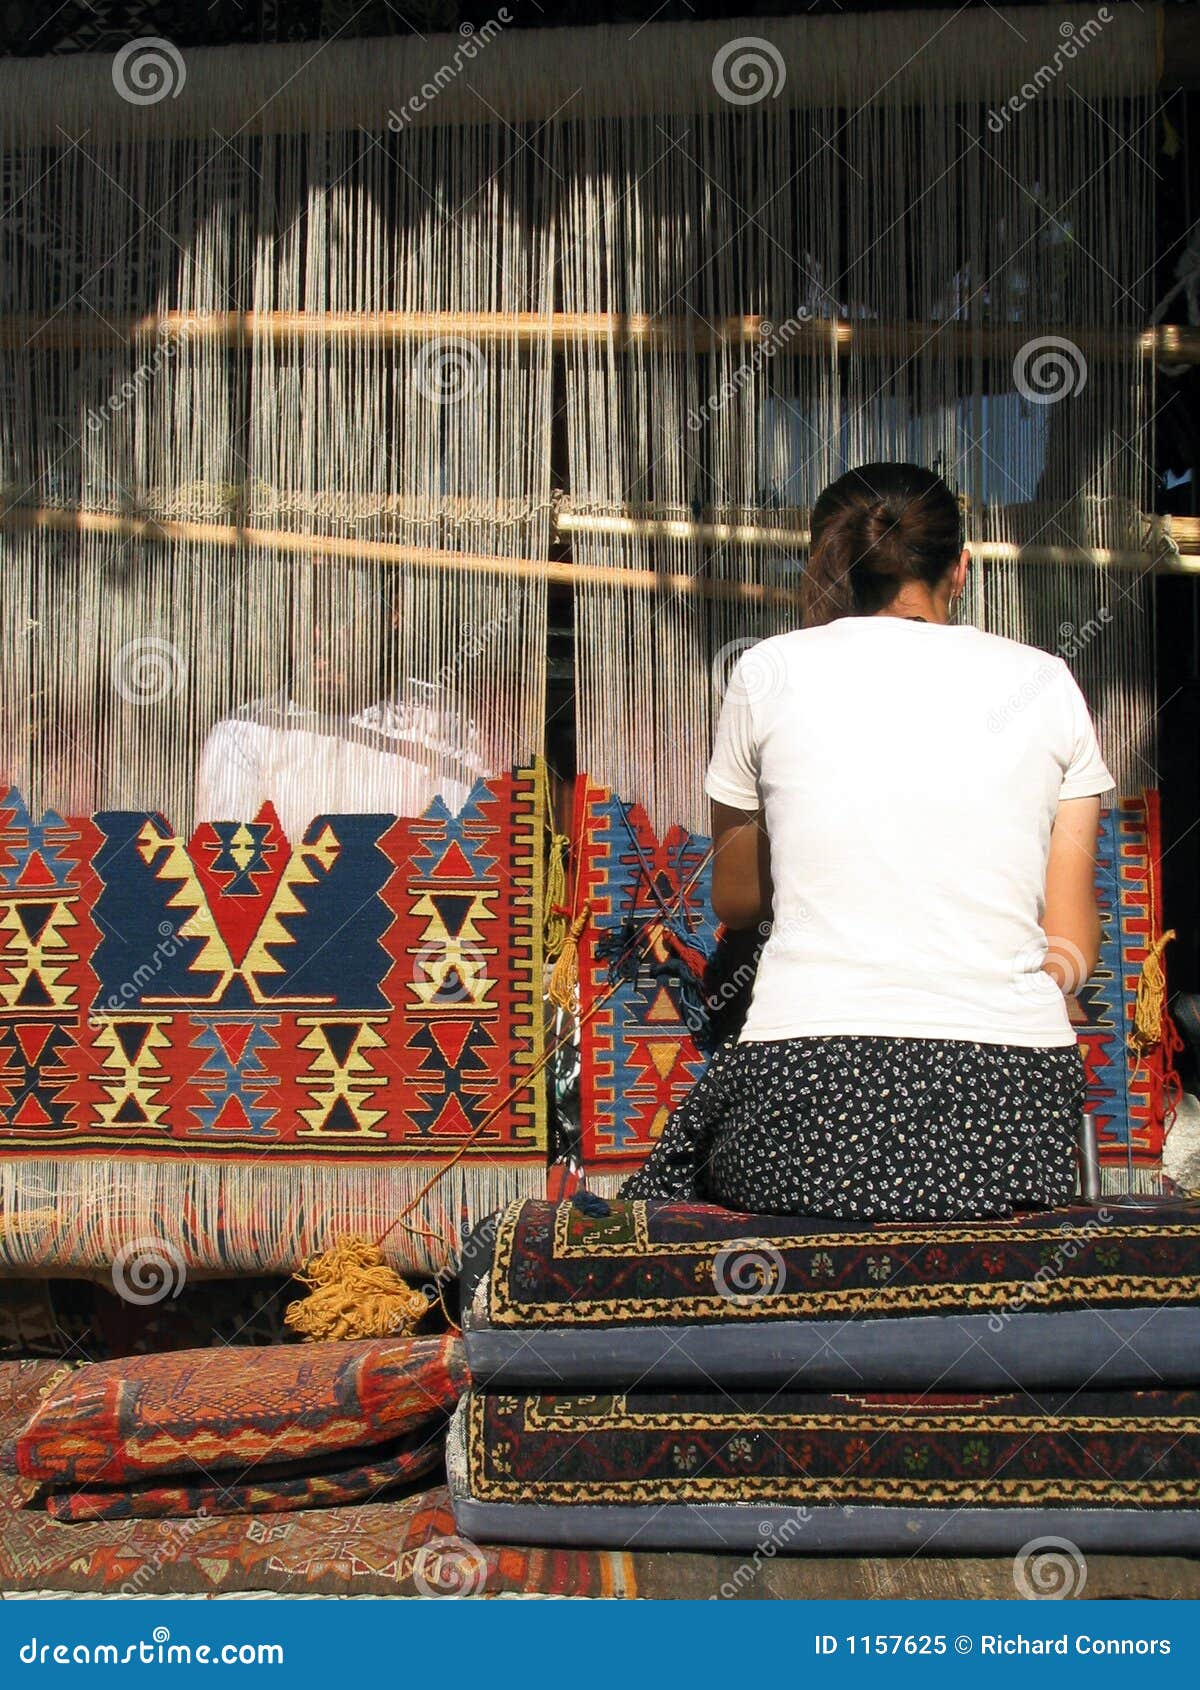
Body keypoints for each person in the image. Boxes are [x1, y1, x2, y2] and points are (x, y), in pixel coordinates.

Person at [622, 461, 1113, 1221]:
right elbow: (1074, 937)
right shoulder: (1046, 683)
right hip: (1010, 1113)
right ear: (961, 567)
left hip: (810, 1095)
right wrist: (1008, 983)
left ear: (826, 561)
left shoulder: (769, 670)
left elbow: (740, 902)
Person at [195, 564, 488, 840]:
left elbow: (466, 857)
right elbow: (231, 879)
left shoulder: (443, 721)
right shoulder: (242, 737)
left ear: (392, 612)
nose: (321, 636)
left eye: (341, 611)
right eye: (306, 611)